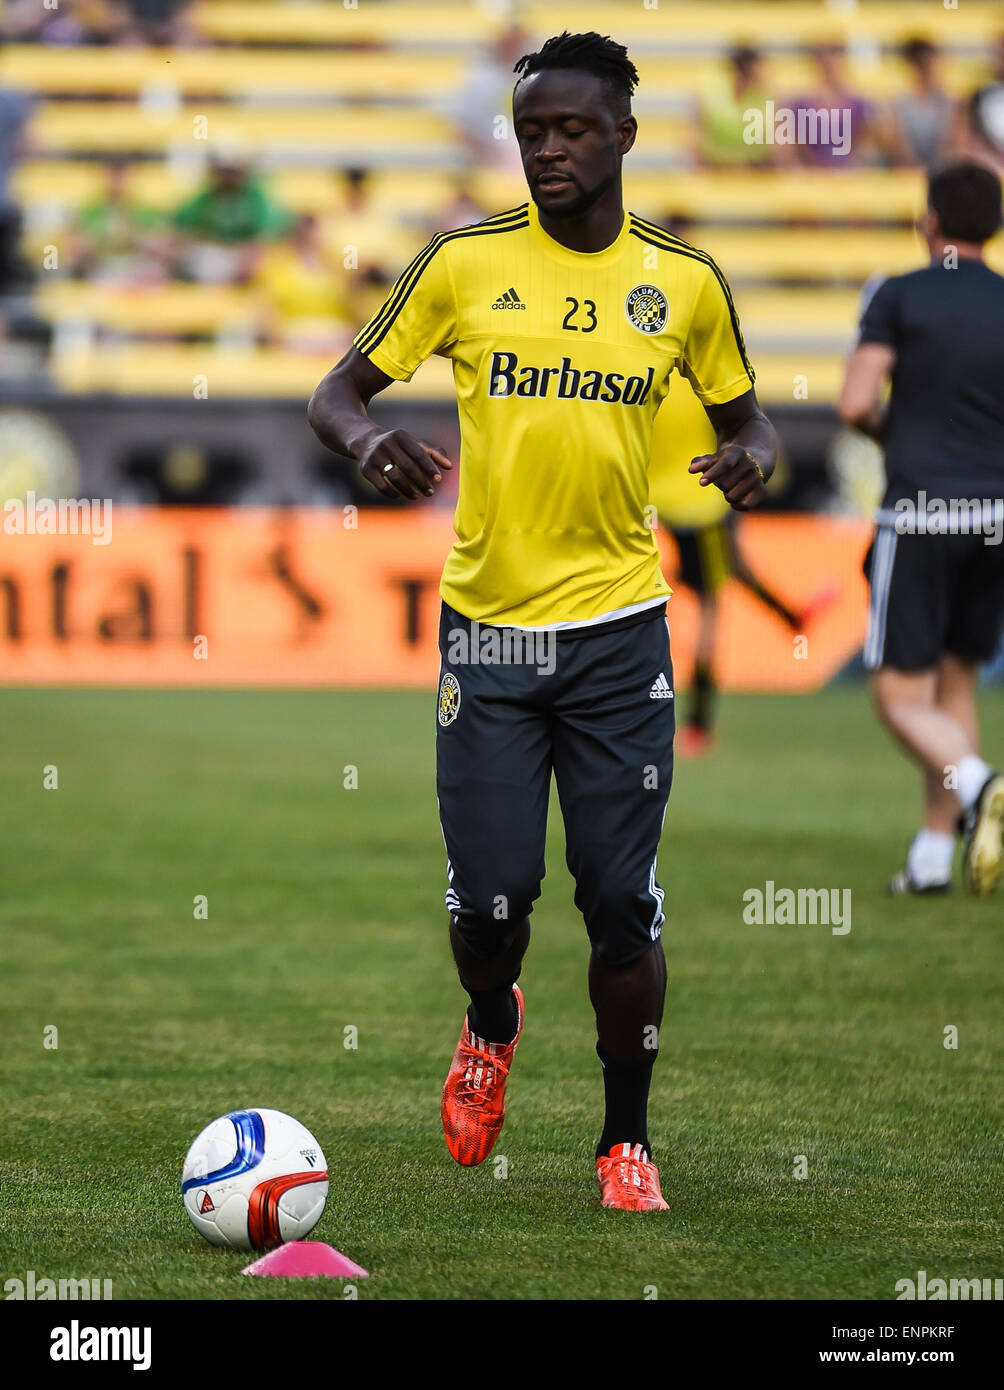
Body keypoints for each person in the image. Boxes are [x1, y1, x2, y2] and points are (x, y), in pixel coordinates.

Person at [308, 31, 777, 1210]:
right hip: (489, 633)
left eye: (571, 130)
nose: (547, 150)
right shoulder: (463, 263)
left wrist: (751, 457)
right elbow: (335, 389)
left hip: (621, 632)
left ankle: (625, 1142)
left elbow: (750, 419)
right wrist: (367, 440)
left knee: (620, 905)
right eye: (529, 133)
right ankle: (488, 1019)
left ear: (623, 134)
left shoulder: (683, 281)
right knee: (492, 902)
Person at [838, 160, 1004, 897]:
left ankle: (980, 783)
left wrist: (892, 431)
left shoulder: (899, 294)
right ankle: (935, 857)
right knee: (955, 681)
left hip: (921, 511)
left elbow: (852, 401)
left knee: (899, 697)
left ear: (930, 221)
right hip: (995, 516)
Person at [650, 376, 836, 756]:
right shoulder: (702, 378)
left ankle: (792, 616)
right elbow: (742, 427)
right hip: (699, 498)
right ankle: (698, 725)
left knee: (731, 567)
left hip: (658, 498)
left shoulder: (650, 371)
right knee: (709, 603)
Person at [695, 44, 773, 169]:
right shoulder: (711, 94)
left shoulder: (764, 96)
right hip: (716, 168)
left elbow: (775, 143)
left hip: (755, 168)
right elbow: (695, 139)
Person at [885, 38, 954, 169]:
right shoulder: (898, 104)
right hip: (908, 172)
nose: (927, 70)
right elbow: (898, 148)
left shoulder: (951, 103)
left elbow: (953, 146)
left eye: (930, 63)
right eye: (922, 64)